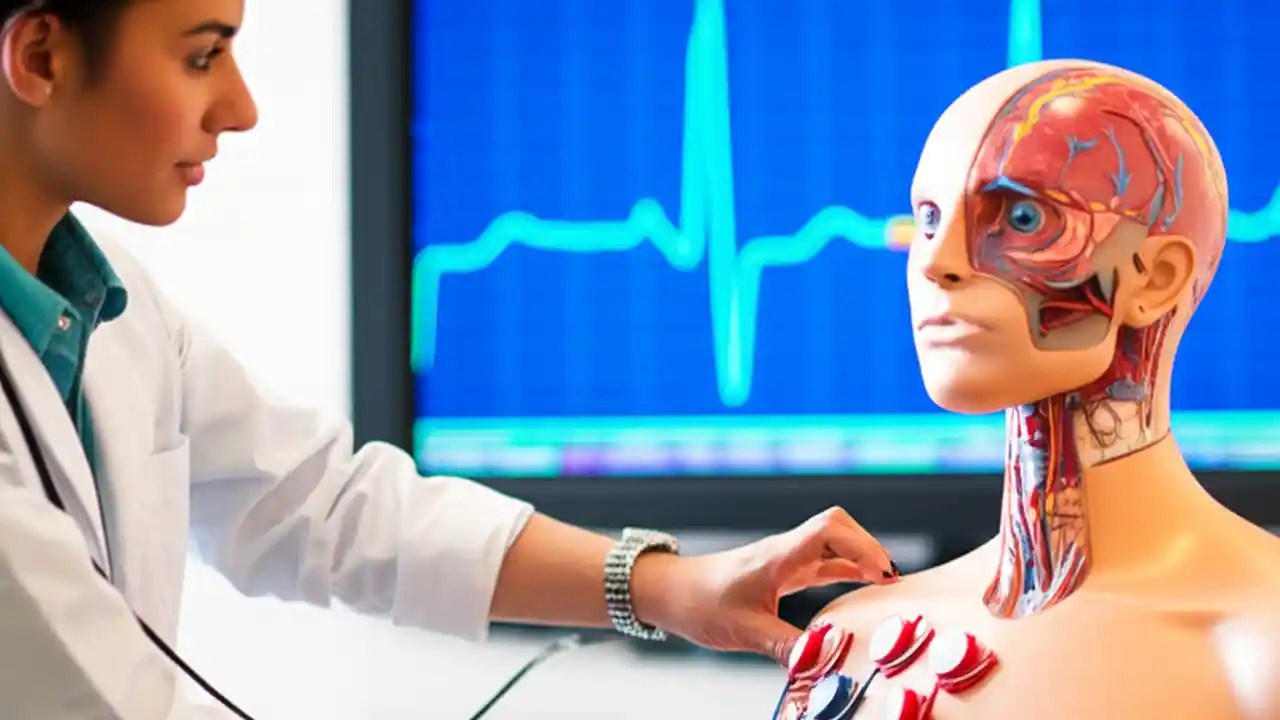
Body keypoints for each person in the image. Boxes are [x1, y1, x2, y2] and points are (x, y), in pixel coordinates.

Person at [0, 1, 900, 717]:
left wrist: (676, 588)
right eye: (203, 55)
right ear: (41, 56)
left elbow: (321, 505)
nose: (241, 107)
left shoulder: (108, 303)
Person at [777, 60, 1280, 720]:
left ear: (1154, 278)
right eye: (928, 218)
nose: (935, 262)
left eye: (1020, 217)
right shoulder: (854, 645)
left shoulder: (1257, 647)